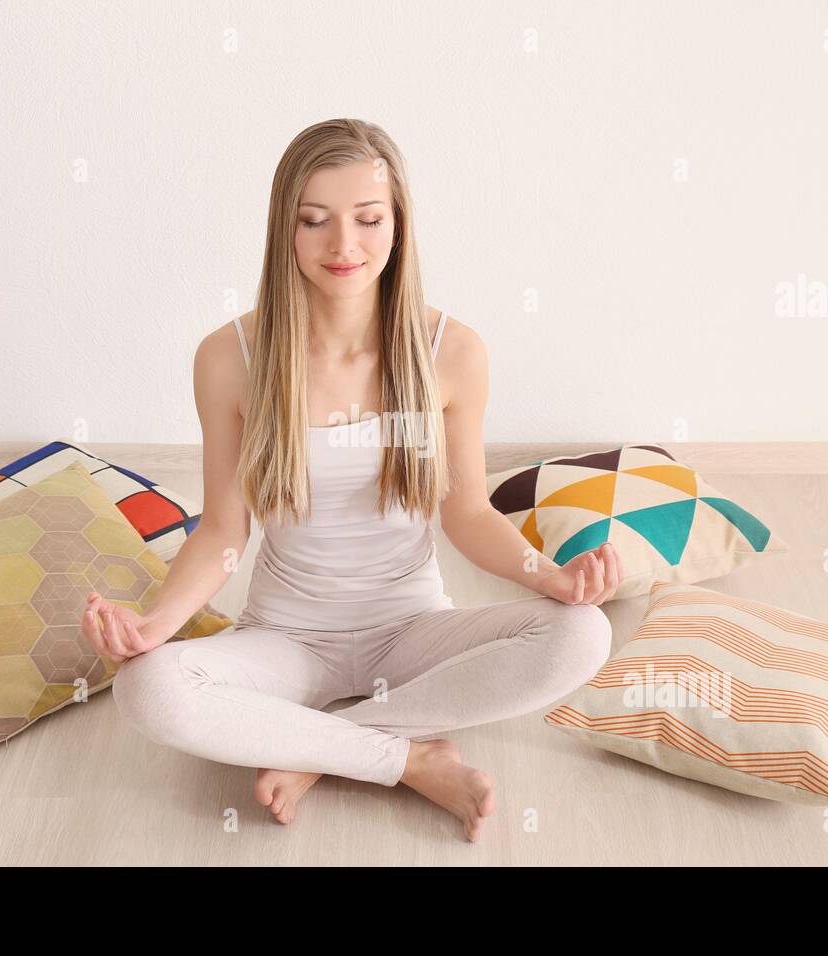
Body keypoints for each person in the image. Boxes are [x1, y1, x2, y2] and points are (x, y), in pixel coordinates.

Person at [82, 118, 621, 843]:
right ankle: (405, 757)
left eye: (369, 220)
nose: (344, 246)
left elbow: (465, 513)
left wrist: (549, 576)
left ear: (398, 224)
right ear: (285, 228)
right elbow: (224, 530)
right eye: (315, 221)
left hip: (413, 630)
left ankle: (319, 751)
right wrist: (154, 626)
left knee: (583, 635)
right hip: (287, 640)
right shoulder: (229, 357)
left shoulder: (451, 352)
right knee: (147, 688)